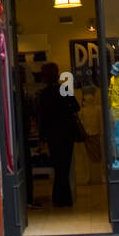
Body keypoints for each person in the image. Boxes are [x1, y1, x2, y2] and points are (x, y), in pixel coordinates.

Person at [36, 62, 80, 208]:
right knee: (64, 166)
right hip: (67, 133)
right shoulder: (63, 89)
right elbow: (76, 107)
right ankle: (63, 199)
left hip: (52, 135)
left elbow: (41, 118)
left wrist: (42, 137)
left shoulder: (43, 94)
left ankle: (59, 198)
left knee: (58, 167)